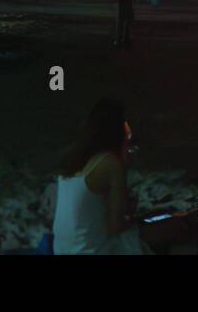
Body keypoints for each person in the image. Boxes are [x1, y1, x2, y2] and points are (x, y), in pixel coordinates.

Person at [52, 97, 151, 254]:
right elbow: (115, 227)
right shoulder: (111, 163)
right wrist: (131, 215)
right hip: (91, 251)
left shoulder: (73, 159)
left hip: (62, 250)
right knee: (164, 229)